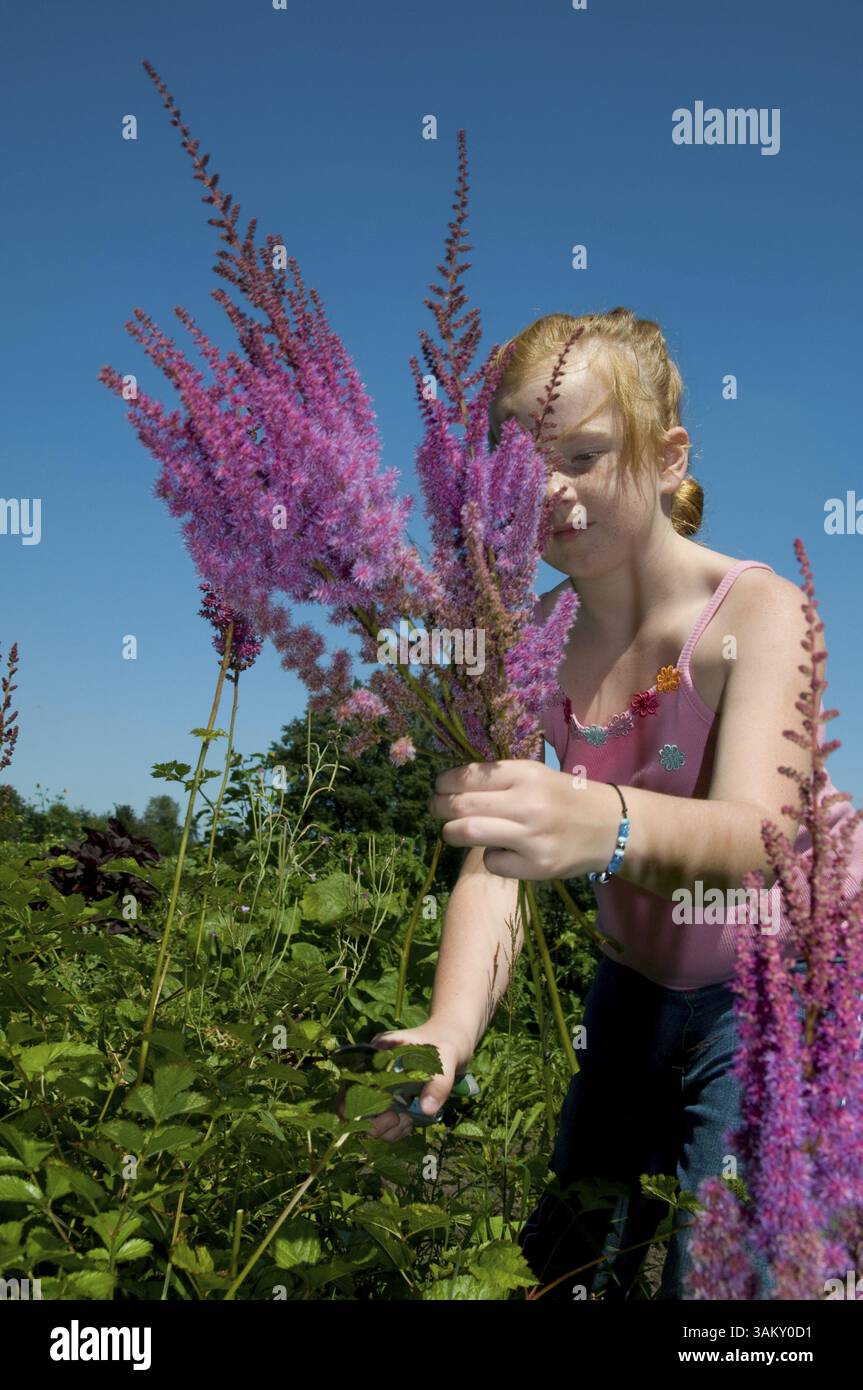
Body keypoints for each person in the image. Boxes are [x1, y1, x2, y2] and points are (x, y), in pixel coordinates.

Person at [345, 307, 863, 1300]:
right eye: (514, 467)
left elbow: (758, 835)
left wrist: (607, 825)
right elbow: (497, 859)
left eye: (583, 455)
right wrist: (447, 1029)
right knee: (574, 1254)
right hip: (627, 995)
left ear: (667, 458)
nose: (547, 490)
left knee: (723, 1280)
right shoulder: (530, 636)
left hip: (774, 995)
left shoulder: (755, 611)